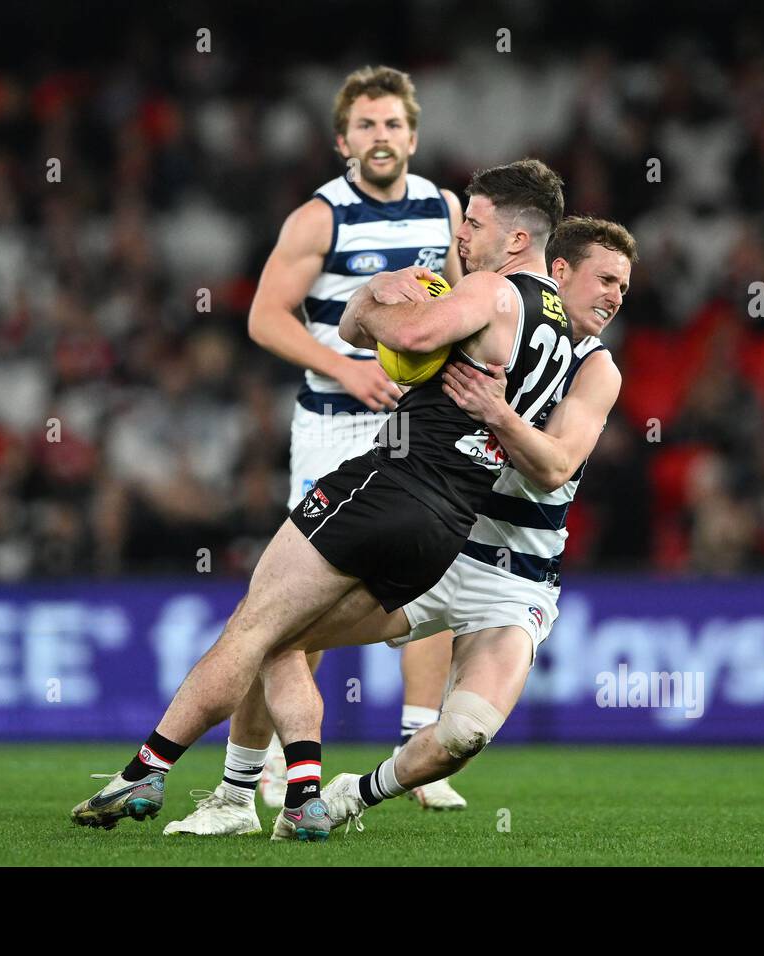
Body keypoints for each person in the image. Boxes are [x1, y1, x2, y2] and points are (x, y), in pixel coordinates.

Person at [71, 157, 570, 841]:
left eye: (476, 225)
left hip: (388, 483)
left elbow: (405, 334)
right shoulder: (561, 332)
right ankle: (304, 793)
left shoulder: (493, 290)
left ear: (517, 239)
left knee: (252, 627)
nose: (463, 238)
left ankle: (144, 770)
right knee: (287, 640)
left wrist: (373, 297)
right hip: (445, 526)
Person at [165, 215, 634, 838]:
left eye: (623, 288)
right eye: (605, 279)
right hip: (446, 550)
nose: (614, 296)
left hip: (517, 581)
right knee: (280, 634)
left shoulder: (597, 369)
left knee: (464, 736)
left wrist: (497, 413)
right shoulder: (484, 321)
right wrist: (380, 295)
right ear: (558, 272)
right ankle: (234, 794)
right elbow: (414, 340)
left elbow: (555, 466)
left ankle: (350, 795)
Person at [207, 65, 466, 816]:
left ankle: (421, 754)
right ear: (341, 140)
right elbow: (265, 317)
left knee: (435, 585)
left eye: (391, 124)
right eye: (365, 125)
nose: (379, 137)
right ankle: (257, 767)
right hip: (334, 420)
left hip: (417, 424)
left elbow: (461, 307)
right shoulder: (320, 217)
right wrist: (347, 367)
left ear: (412, 136)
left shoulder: (445, 209)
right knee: (303, 598)